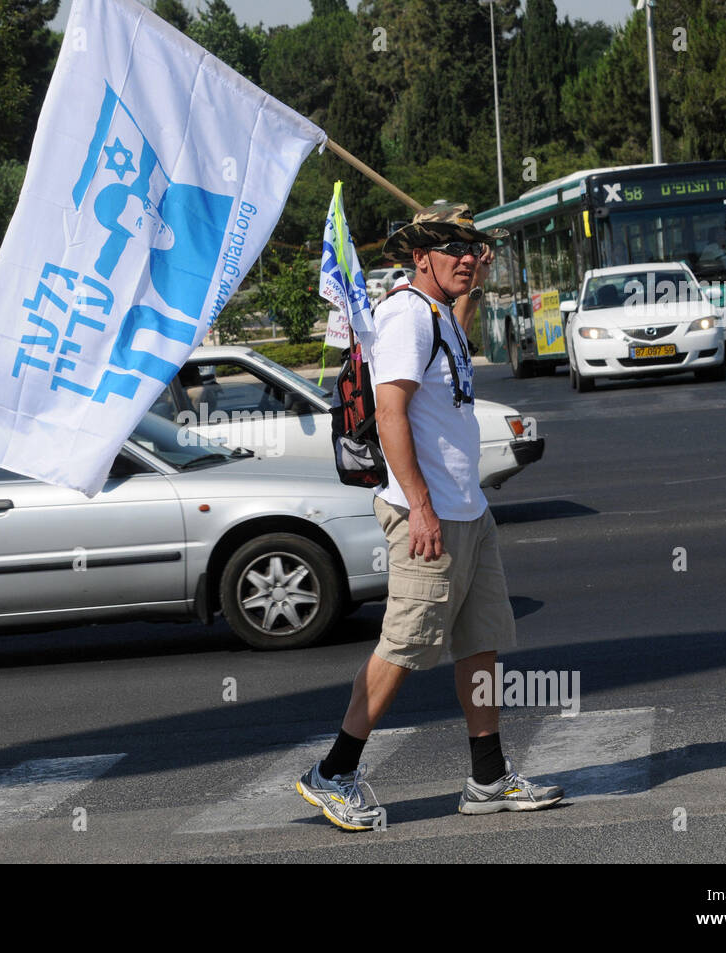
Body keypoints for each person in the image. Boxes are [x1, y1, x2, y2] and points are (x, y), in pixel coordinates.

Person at [296, 205, 563, 831]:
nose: (467, 258)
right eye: (454, 250)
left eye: (473, 248)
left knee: (480, 641)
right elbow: (391, 414)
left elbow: (457, 354)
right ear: (422, 258)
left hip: (466, 507)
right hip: (429, 512)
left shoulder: (438, 312)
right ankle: (333, 773)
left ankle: (488, 778)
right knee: (406, 643)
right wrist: (418, 506)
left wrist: (472, 287)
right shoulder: (406, 316)